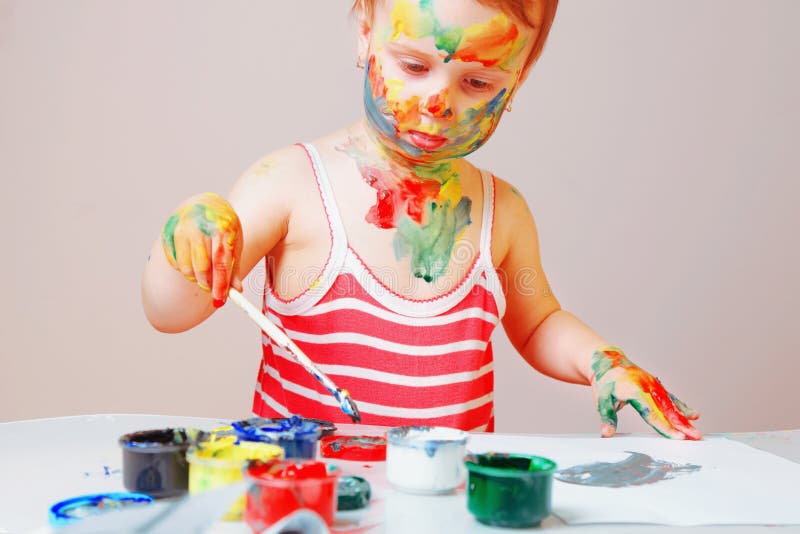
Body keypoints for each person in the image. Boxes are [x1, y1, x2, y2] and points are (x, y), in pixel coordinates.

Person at [141, 0, 701, 439]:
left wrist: (602, 362)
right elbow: (171, 313)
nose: (438, 101)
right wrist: (185, 241)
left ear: (519, 78)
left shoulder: (503, 211)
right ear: (365, 32)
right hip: (307, 501)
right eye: (413, 65)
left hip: (444, 505)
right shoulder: (289, 184)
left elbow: (536, 322)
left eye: (478, 83)